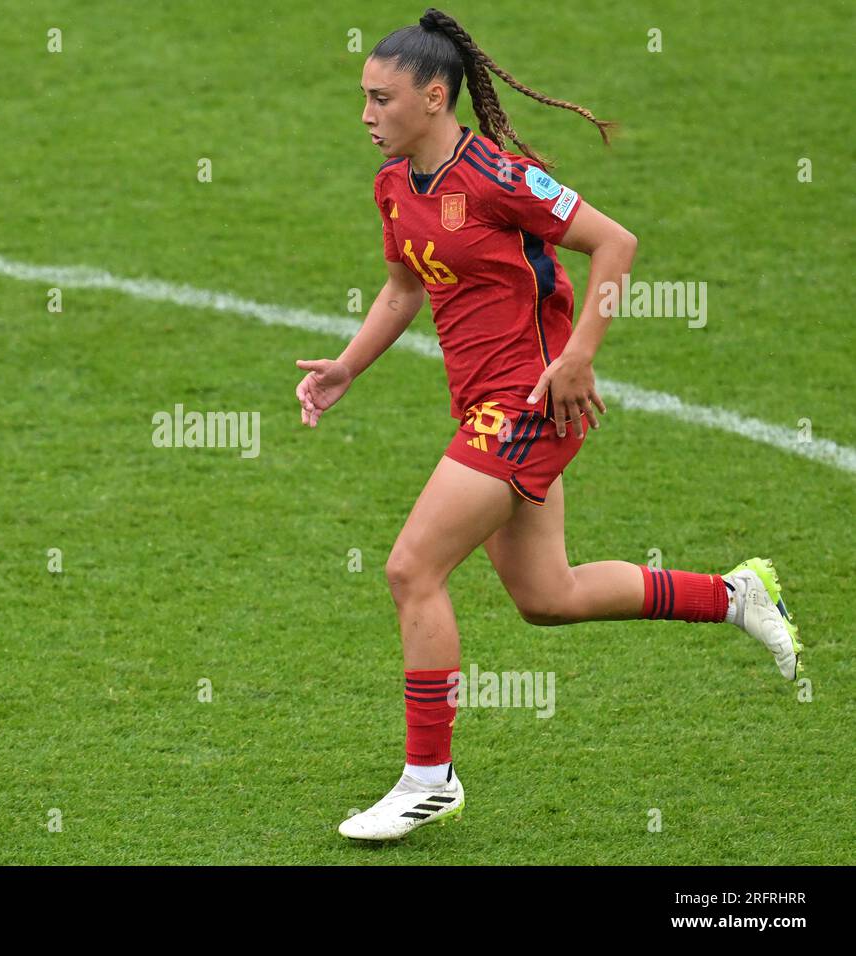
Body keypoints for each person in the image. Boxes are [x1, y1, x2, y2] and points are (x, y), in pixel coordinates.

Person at [294, 8, 802, 842]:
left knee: (411, 569)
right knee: (547, 597)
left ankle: (429, 779)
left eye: (381, 99)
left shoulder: (499, 176)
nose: (366, 115)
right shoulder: (393, 187)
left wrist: (580, 357)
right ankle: (737, 595)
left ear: (433, 95)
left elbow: (616, 243)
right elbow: (402, 291)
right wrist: (349, 364)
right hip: (482, 407)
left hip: (529, 406)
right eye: (362, 97)